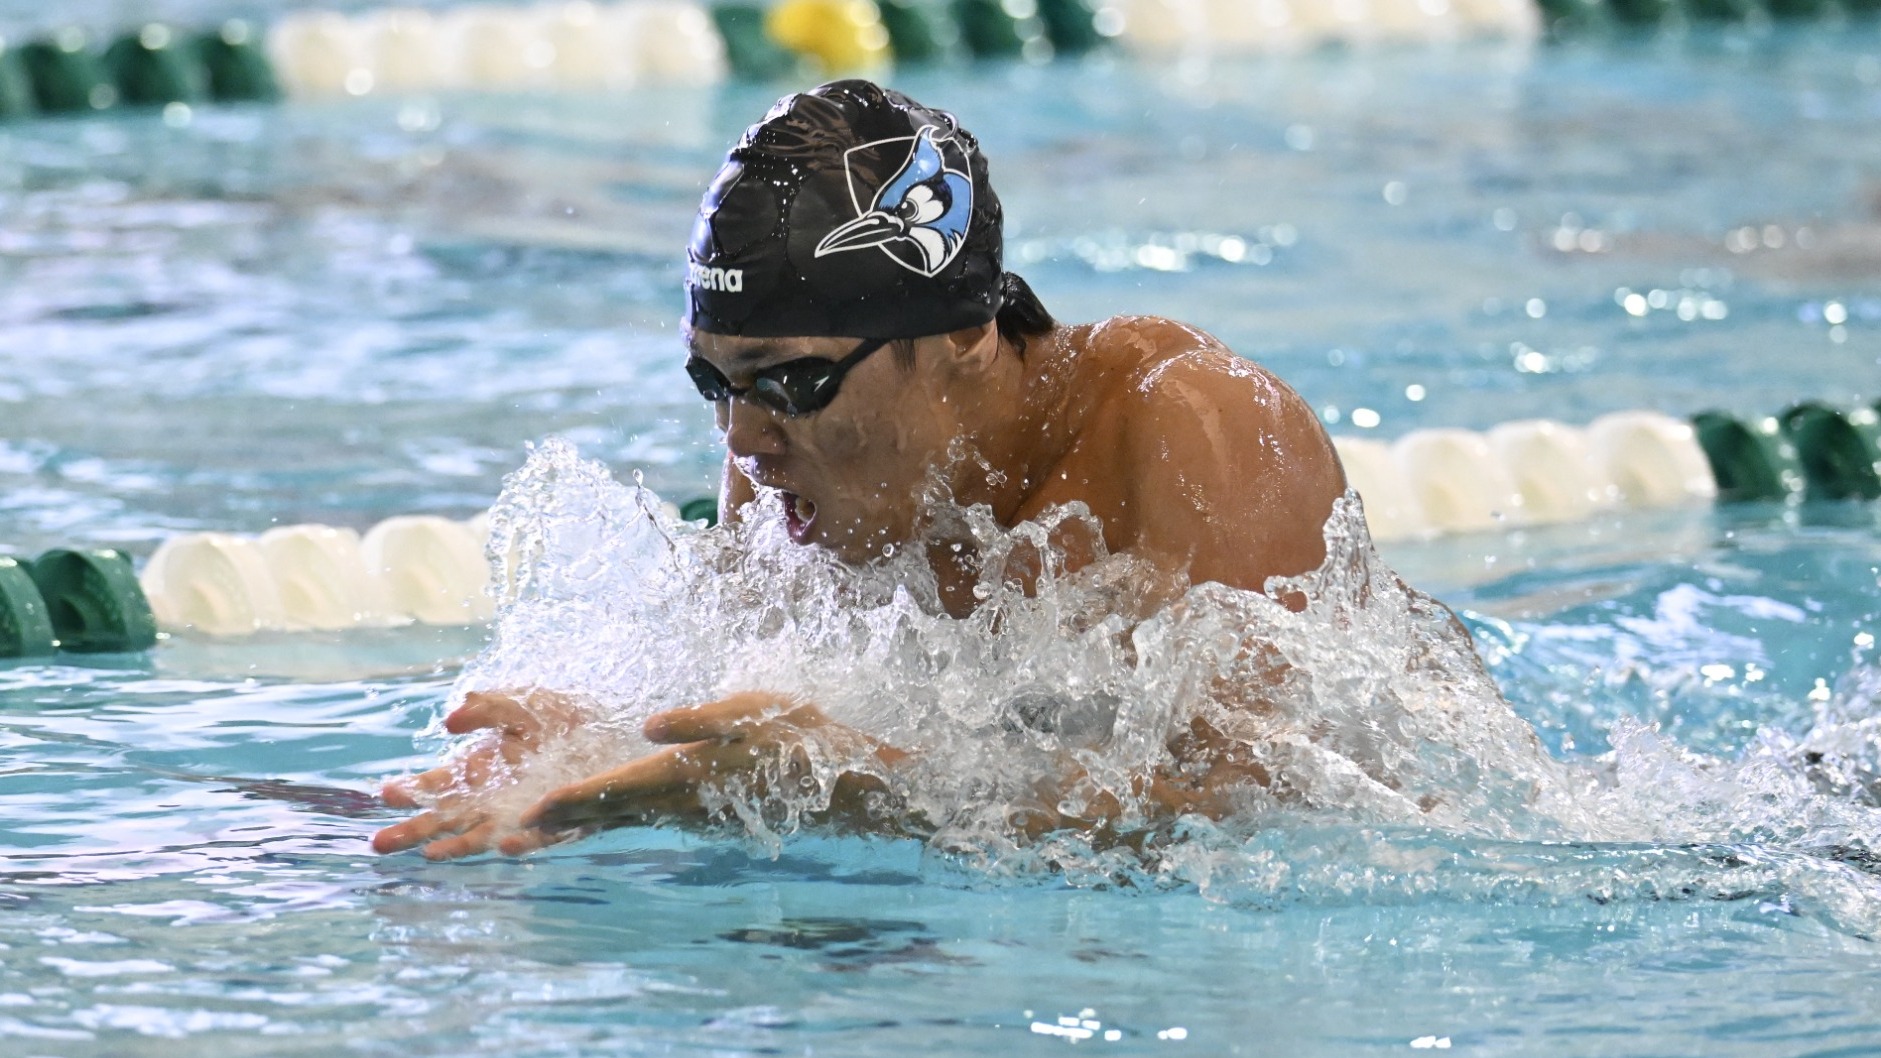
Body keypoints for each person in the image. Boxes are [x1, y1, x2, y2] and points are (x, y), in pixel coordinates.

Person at [373, 79, 1349, 861]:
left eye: (791, 379)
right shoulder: (793, 454)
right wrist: (608, 747)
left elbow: (1267, 814)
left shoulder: (1188, 424)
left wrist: (878, 791)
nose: (744, 441)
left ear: (964, 333)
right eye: (714, 383)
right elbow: (761, 706)